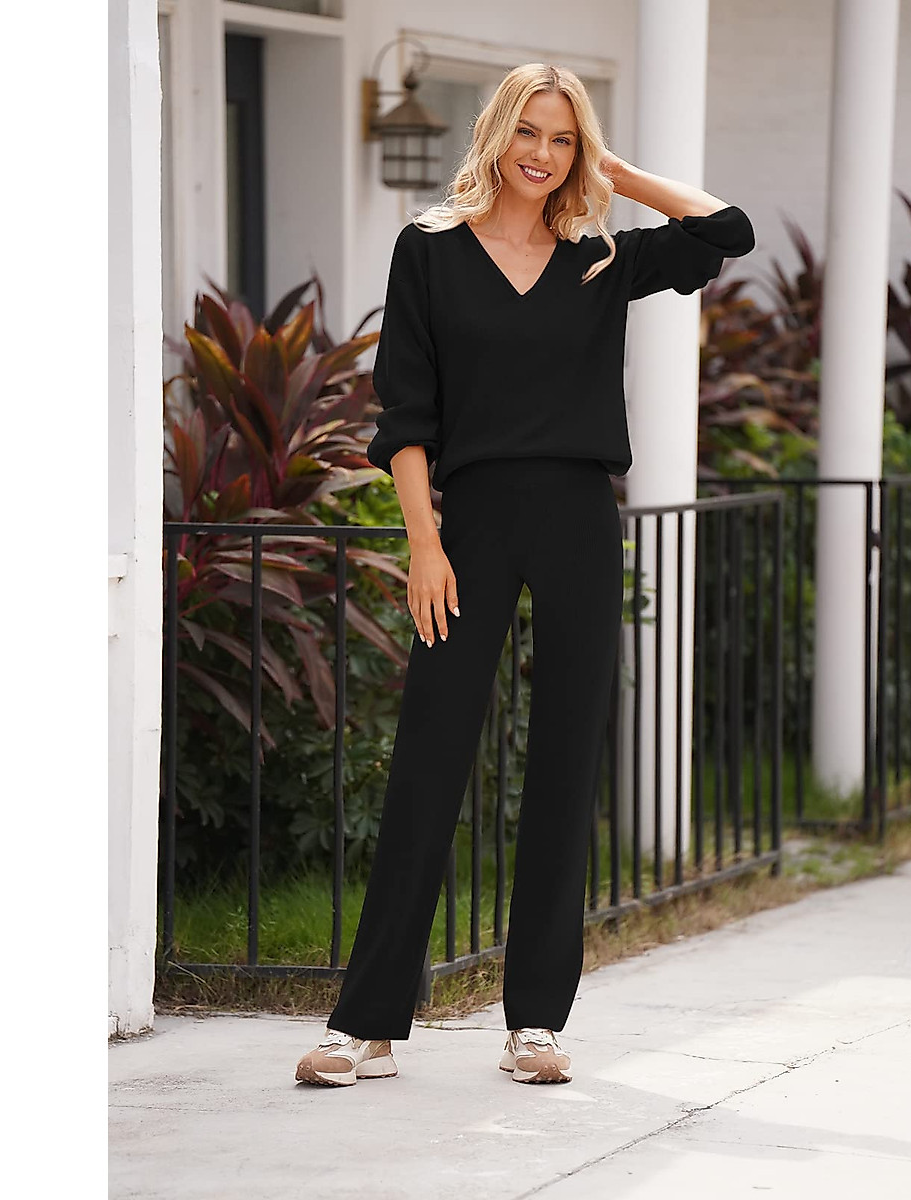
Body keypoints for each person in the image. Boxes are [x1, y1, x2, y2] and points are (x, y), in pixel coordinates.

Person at [295, 62, 754, 1088]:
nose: (542, 154)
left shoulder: (599, 256)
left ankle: (535, 1023)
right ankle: (367, 1025)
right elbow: (405, 409)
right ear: (496, 133)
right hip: (472, 525)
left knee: (563, 766)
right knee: (430, 757)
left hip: (580, 518)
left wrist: (616, 174)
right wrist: (424, 542)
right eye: (529, 132)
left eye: (562, 138)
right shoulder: (429, 249)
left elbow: (728, 231)